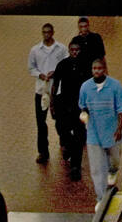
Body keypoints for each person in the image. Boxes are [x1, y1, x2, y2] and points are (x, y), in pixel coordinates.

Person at [78, 57, 122, 207]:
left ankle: (113, 171)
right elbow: (83, 106)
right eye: (94, 69)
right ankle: (101, 198)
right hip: (94, 135)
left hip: (112, 132)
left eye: (99, 68)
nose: (96, 71)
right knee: (97, 169)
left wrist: (119, 129)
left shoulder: (115, 86)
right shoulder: (85, 87)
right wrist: (84, 114)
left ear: (104, 69)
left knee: (114, 162)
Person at [50, 38, 90, 181]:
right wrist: (52, 103)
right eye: (72, 50)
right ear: (69, 51)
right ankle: (67, 145)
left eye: (77, 50)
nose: (74, 52)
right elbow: (55, 85)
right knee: (62, 129)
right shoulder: (62, 65)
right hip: (64, 104)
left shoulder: (86, 65)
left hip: (80, 105)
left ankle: (75, 167)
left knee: (79, 135)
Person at [28, 22, 67, 164]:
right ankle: (43, 152)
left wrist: (56, 73)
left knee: (60, 119)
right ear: (42, 33)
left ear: (53, 32)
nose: (47, 34)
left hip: (58, 90)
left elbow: (67, 65)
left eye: (49, 32)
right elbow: (31, 68)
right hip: (41, 90)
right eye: (44, 32)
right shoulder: (35, 50)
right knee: (41, 122)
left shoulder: (61, 49)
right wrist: (40, 75)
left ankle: (65, 144)